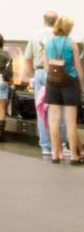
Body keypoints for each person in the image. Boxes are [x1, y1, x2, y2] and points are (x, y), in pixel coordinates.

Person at [25, 11, 68, 159]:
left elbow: (28, 59)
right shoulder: (59, 36)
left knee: (41, 111)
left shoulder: (34, 35)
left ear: (44, 20)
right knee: (58, 111)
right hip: (56, 73)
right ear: (56, 22)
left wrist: (32, 76)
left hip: (39, 74)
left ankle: (45, 146)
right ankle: (61, 145)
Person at [44, 17, 83, 165]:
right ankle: (73, 156)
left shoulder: (48, 43)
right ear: (68, 28)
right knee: (70, 122)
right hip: (70, 82)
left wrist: (53, 78)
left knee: (54, 120)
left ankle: (55, 154)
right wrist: (82, 85)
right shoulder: (72, 43)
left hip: (52, 83)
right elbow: (78, 67)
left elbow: (46, 66)